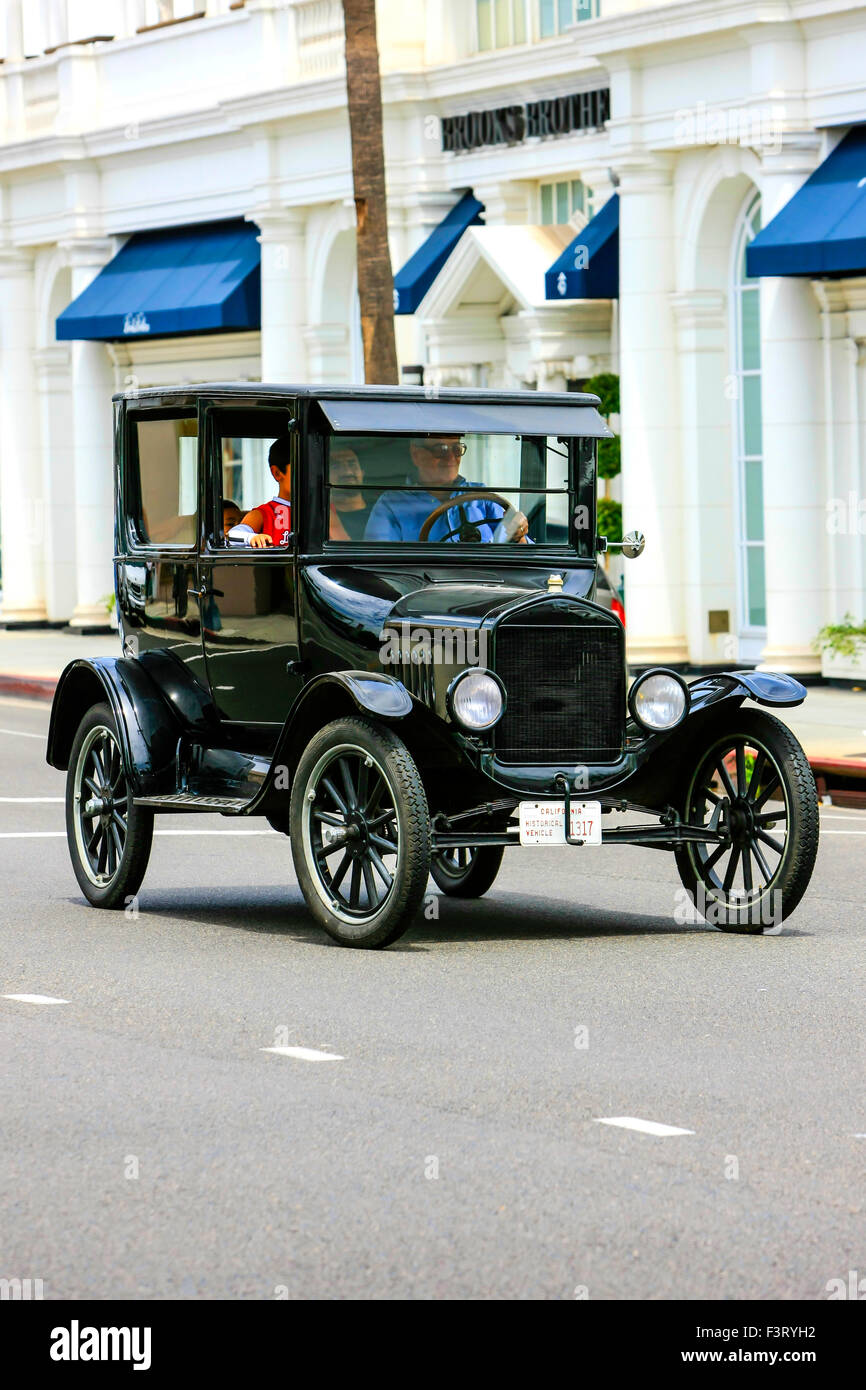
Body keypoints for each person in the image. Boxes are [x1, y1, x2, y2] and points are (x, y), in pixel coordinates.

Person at [364, 436, 530, 544]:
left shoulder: (482, 497)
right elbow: (380, 564)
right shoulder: (392, 504)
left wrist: (518, 534)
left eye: (456, 449)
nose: (451, 457)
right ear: (416, 455)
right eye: (440, 450)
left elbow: (520, 557)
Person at [227, 437, 292, 548]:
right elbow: (232, 535)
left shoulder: (323, 512)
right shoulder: (265, 513)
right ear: (277, 473)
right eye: (301, 469)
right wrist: (252, 537)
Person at [328, 446, 371, 541]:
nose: (347, 472)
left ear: (362, 472)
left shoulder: (383, 513)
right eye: (336, 466)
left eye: (352, 464)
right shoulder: (321, 518)